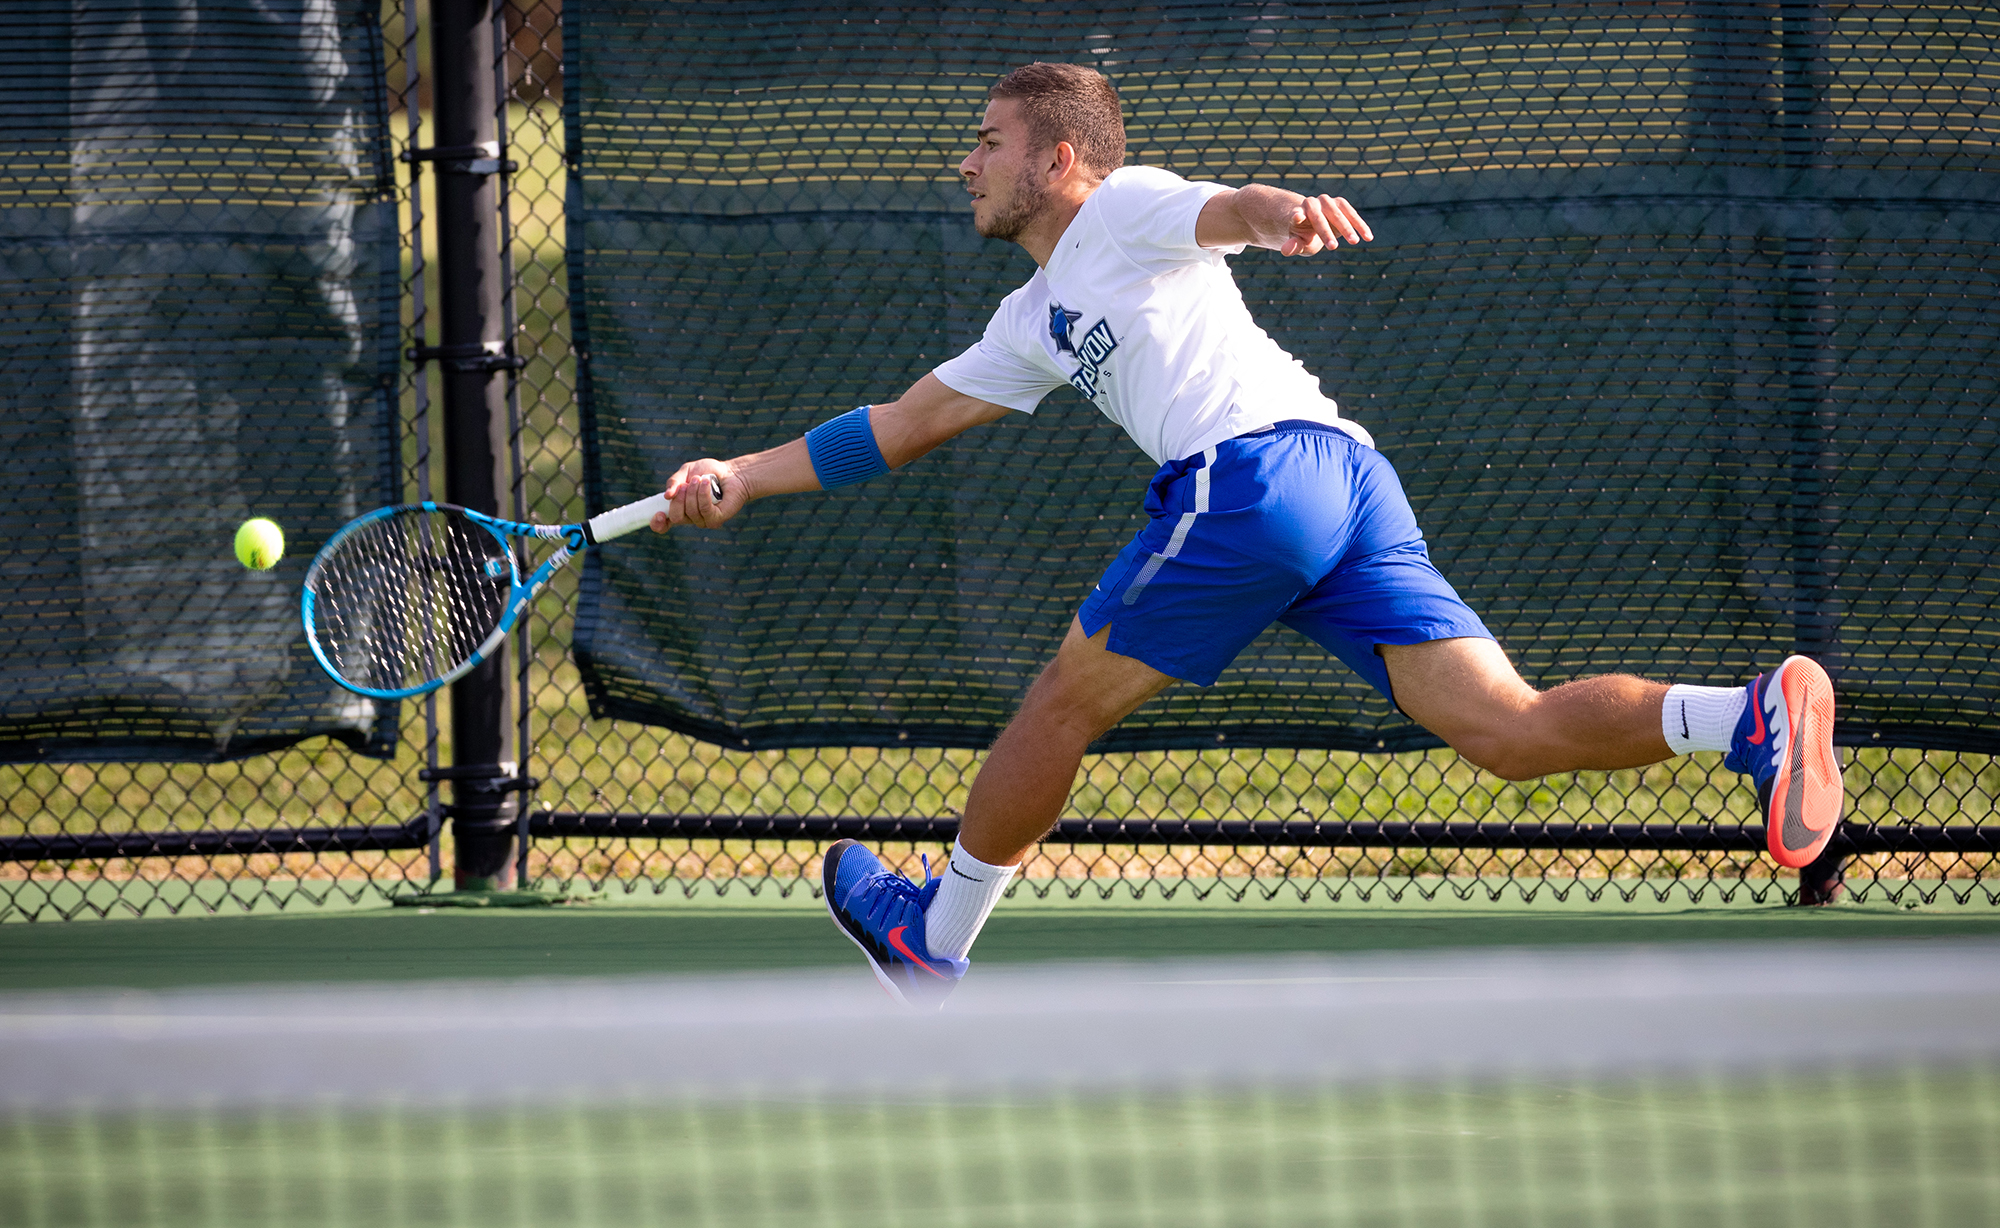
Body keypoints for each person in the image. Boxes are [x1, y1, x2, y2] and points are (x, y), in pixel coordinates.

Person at [649, 62, 1845, 1007]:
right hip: (1343, 480)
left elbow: (1217, 210)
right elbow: (901, 424)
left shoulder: (1121, 205)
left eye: (988, 142)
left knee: (1057, 707)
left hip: (1253, 475)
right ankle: (1744, 718)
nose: (965, 162)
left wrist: (1275, 214)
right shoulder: (1031, 316)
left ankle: (933, 936)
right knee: (1506, 730)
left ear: (1057, 158)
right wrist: (740, 476)